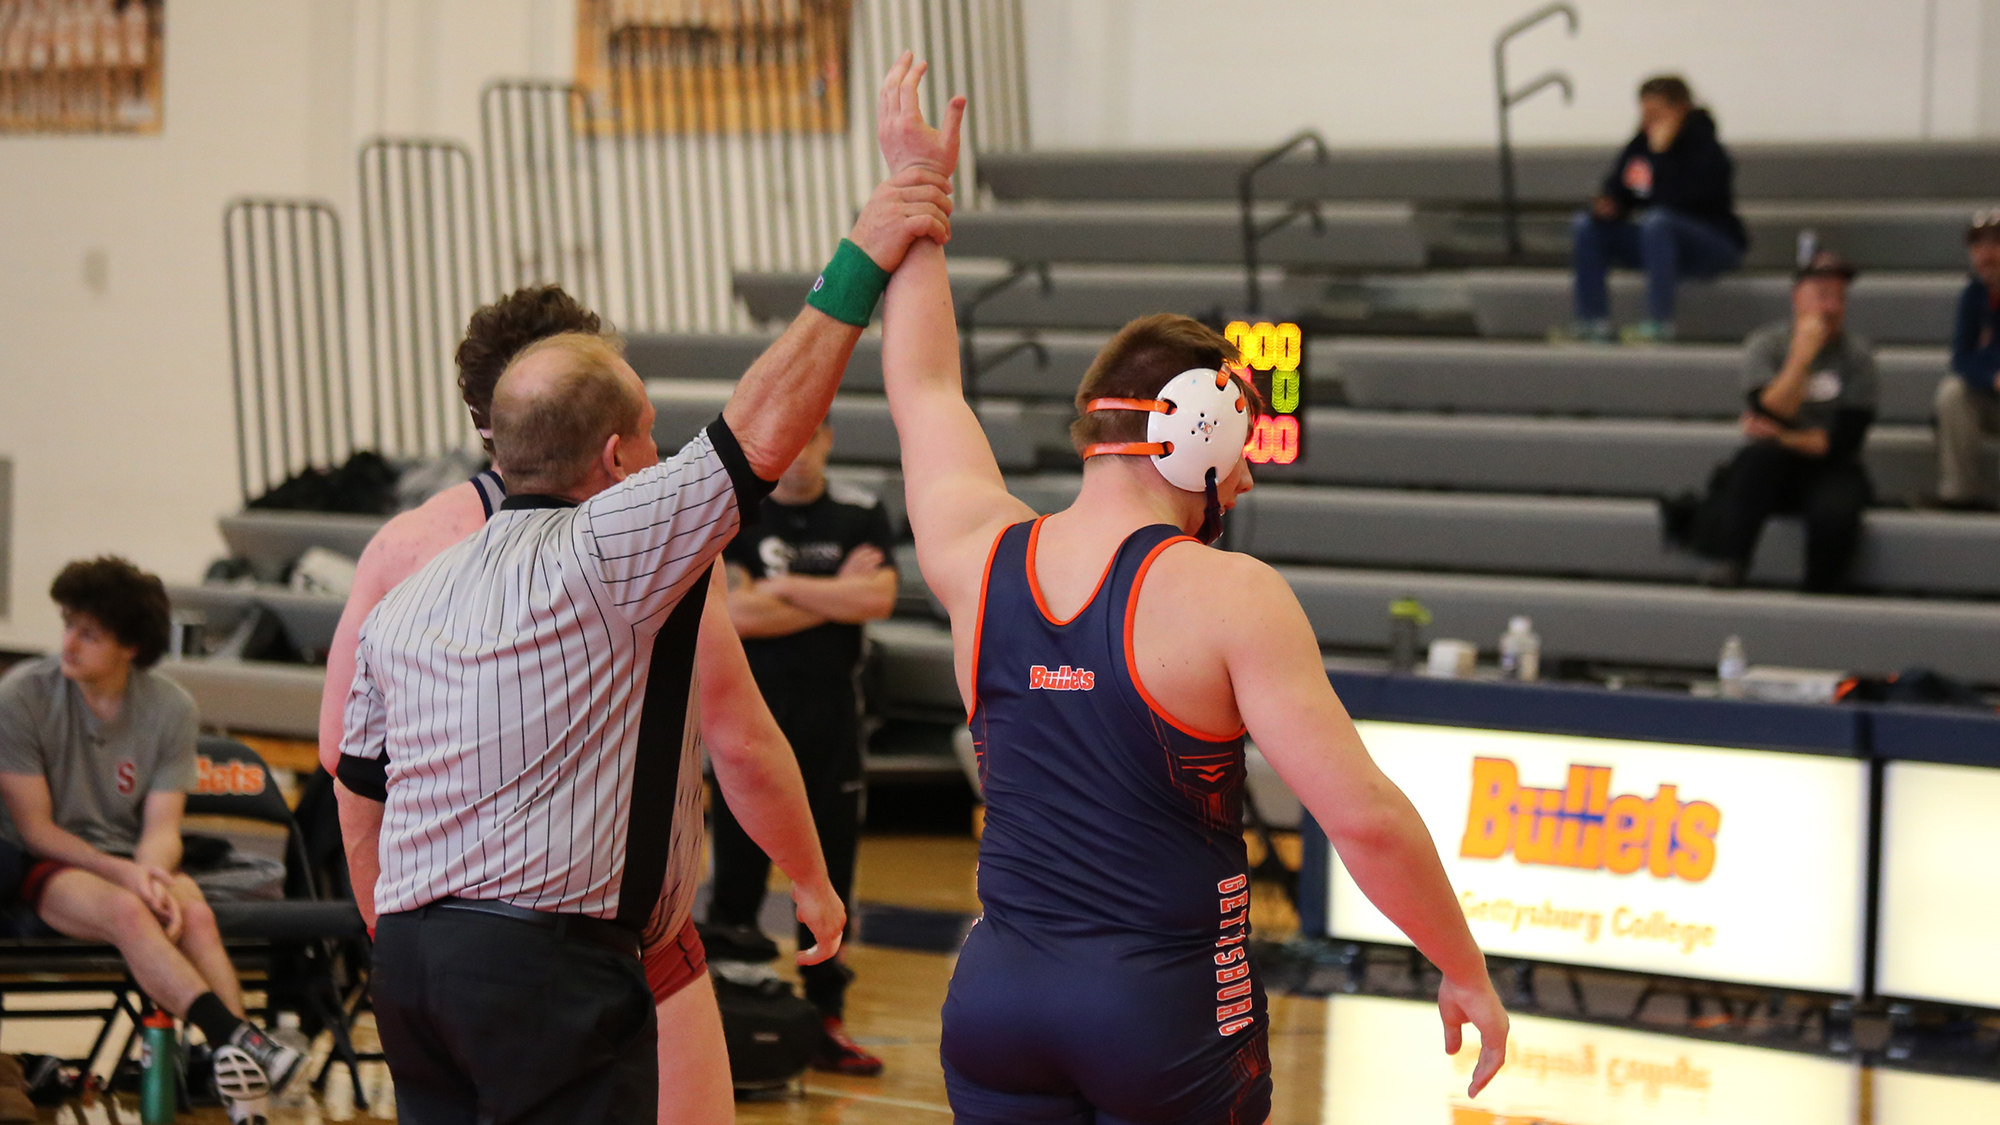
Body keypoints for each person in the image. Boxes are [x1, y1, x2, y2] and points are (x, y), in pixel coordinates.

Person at [869, 56, 1509, 1124]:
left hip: (995, 1000)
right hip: (1158, 1011)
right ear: (1195, 434)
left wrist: (915, 203)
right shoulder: (1229, 595)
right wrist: (1461, 963)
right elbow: (1361, 817)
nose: (1246, 475)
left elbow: (924, 384)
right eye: (1239, 443)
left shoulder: (976, 555)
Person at [336, 56, 961, 1124]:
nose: (664, 452)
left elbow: (357, 784)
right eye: (652, 434)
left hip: (415, 967)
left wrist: (389, 935)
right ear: (616, 456)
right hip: (544, 962)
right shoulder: (614, 544)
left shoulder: (409, 587)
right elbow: (762, 424)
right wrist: (875, 235)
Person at [0, 558, 301, 1125]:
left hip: (130, 860)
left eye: (89, 634)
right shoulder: (22, 696)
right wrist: (128, 878)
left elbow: (162, 829)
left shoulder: (171, 706)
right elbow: (36, 830)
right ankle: (240, 1039)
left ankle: (246, 1100)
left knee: (196, 914)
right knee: (128, 912)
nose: (68, 643)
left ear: (130, 646)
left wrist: (152, 875)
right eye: (68, 625)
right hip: (43, 862)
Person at [712, 420, 898, 1075]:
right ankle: (730, 1017)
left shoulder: (859, 513)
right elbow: (736, 614)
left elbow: (878, 598)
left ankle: (826, 1017)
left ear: (826, 440)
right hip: (750, 716)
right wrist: (834, 594)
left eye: (810, 439)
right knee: (736, 867)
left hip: (831, 720)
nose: (797, 455)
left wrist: (780, 587)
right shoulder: (740, 514)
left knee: (830, 870)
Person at [1684, 250, 1877, 591]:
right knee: (1754, 462)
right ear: (1796, 298)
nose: (1831, 308)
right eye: (1822, 296)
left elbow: (1841, 441)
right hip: (1777, 464)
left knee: (1835, 513)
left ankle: (1821, 590)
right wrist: (1802, 357)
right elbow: (1770, 412)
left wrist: (1782, 437)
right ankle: (1731, 562)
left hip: (1832, 466)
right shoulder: (1766, 345)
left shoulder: (1858, 357)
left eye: (1839, 298)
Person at [1568, 75, 1747, 343]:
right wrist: (1611, 204)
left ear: (1680, 110)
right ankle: (1593, 322)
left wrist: (1661, 156)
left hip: (1710, 243)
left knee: (1658, 222)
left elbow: (1683, 199)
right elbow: (1626, 188)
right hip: (1658, 244)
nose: (1649, 121)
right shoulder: (1641, 146)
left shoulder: (1705, 147)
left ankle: (1659, 323)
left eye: (1656, 113)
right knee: (1586, 226)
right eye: (1645, 113)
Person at [1933, 210, 2000, 510]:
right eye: (1978, 246)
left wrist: (1987, 359)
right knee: (1953, 394)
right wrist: (1993, 375)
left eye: (1994, 244)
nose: (1986, 254)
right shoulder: (1974, 295)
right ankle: (1960, 494)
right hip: (1993, 396)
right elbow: (1961, 359)